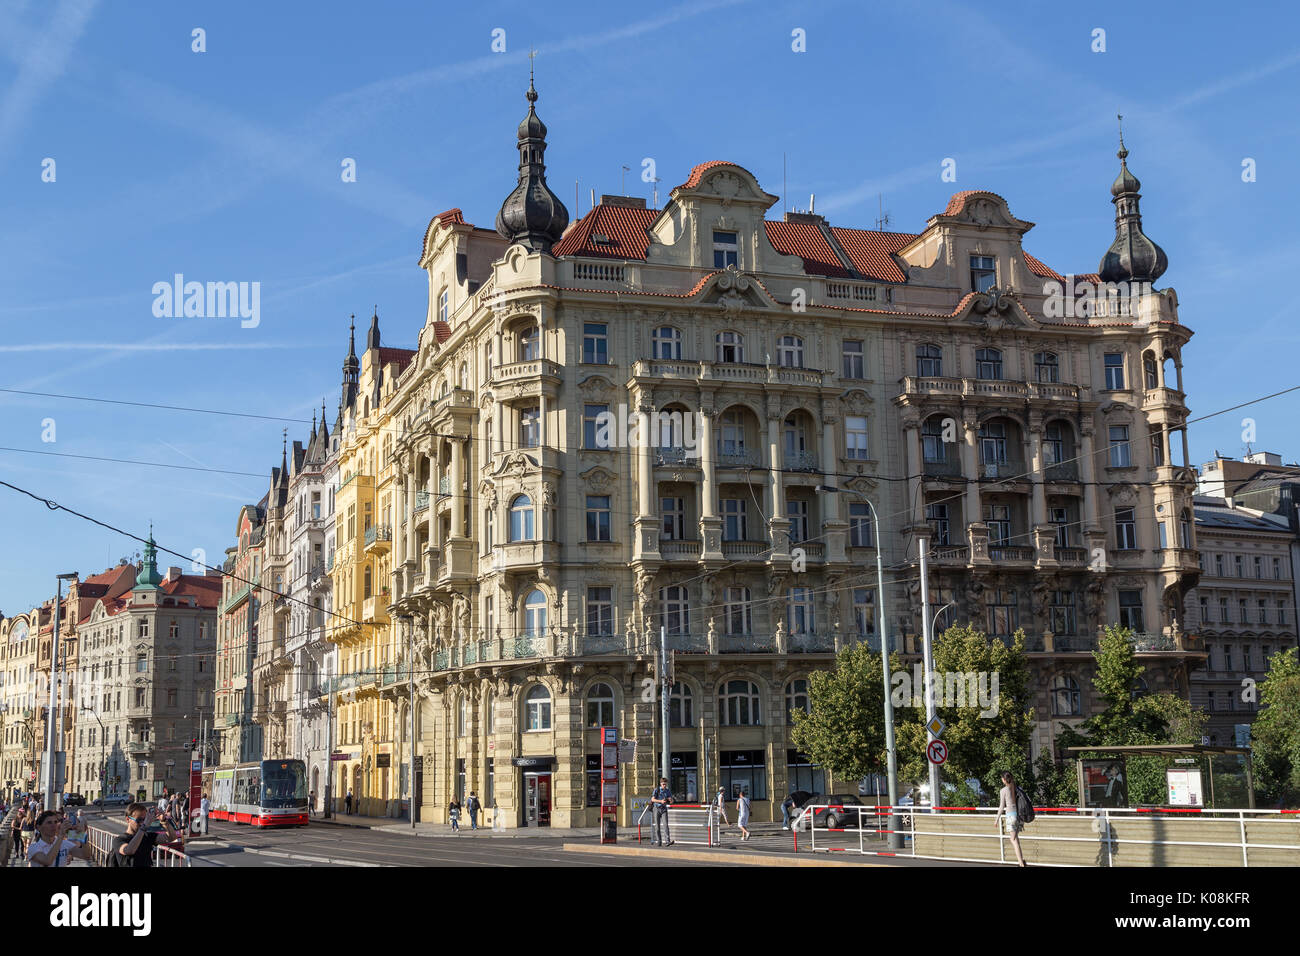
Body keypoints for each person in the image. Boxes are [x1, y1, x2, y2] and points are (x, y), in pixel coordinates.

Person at [112, 803, 177, 868]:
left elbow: (172, 837)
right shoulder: (119, 840)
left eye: (144, 819)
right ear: (128, 819)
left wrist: (164, 820)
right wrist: (144, 827)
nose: (142, 823)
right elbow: (129, 850)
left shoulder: (147, 836)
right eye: (139, 820)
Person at [27, 811, 92, 868]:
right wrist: (61, 836)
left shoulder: (64, 844)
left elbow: (86, 856)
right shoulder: (33, 847)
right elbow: (47, 861)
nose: (53, 825)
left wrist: (82, 835)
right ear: (39, 827)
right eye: (49, 822)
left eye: (55, 822)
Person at [994, 770, 1027, 867]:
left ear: (1004, 780)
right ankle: (1021, 861)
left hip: (1011, 816)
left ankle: (1021, 863)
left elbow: (1001, 806)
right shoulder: (1015, 787)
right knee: (1015, 839)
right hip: (1019, 815)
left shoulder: (1003, 790)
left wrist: (996, 819)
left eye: (1002, 778)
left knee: (1013, 840)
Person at [650, 777, 674, 846]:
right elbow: (652, 799)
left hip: (664, 809)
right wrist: (660, 801)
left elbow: (671, 801)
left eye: (665, 784)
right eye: (663, 784)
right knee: (657, 826)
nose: (664, 786)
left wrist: (671, 800)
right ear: (660, 784)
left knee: (666, 825)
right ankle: (659, 841)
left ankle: (667, 841)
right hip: (656, 808)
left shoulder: (667, 791)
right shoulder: (657, 790)